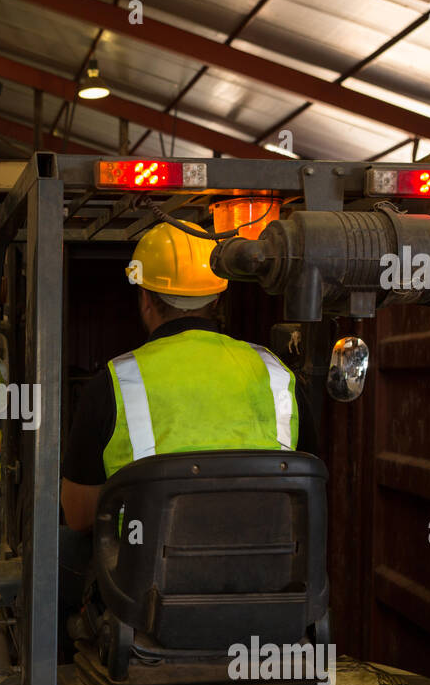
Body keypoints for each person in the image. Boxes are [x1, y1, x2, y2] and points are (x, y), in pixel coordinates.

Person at [58, 222, 316, 623]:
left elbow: (78, 515)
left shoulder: (114, 381)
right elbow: (309, 485)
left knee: (58, 550)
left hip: (149, 595)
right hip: (270, 582)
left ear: (146, 298)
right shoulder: (277, 374)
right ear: (219, 296)